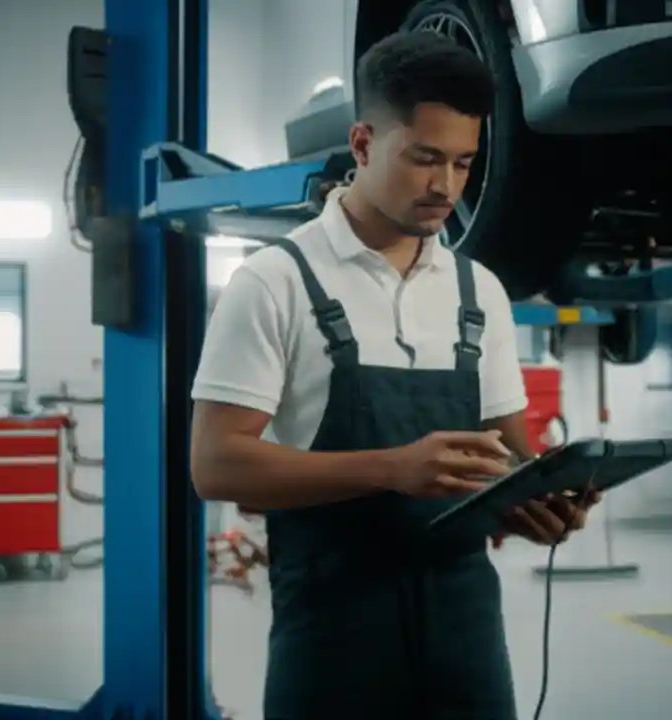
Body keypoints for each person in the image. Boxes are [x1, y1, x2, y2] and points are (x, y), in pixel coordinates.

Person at [189, 30, 601, 720]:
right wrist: (392, 468)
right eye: (424, 158)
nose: (446, 186)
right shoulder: (274, 282)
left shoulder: (480, 293)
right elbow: (215, 465)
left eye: (464, 163)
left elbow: (509, 459)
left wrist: (541, 502)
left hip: (465, 637)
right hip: (332, 640)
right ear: (362, 144)